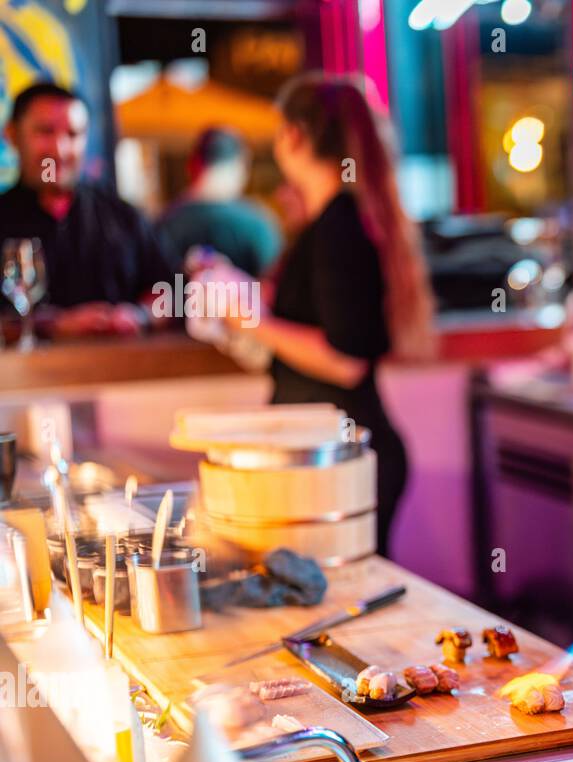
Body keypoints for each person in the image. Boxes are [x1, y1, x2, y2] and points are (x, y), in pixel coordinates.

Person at [199, 73, 435, 558]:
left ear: (295, 136)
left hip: (342, 458)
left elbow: (346, 360)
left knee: (346, 609)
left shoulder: (337, 228)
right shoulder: (334, 223)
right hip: (334, 456)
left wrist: (250, 320)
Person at [0, 81, 173, 337]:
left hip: (123, 372)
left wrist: (139, 315)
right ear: (12, 135)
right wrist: (51, 325)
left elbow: (171, 290)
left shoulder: (123, 217)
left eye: (73, 134)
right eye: (45, 132)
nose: (60, 150)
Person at [158, 126, 282, 277]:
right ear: (240, 166)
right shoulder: (259, 225)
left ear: (193, 164)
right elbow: (273, 285)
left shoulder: (164, 223)